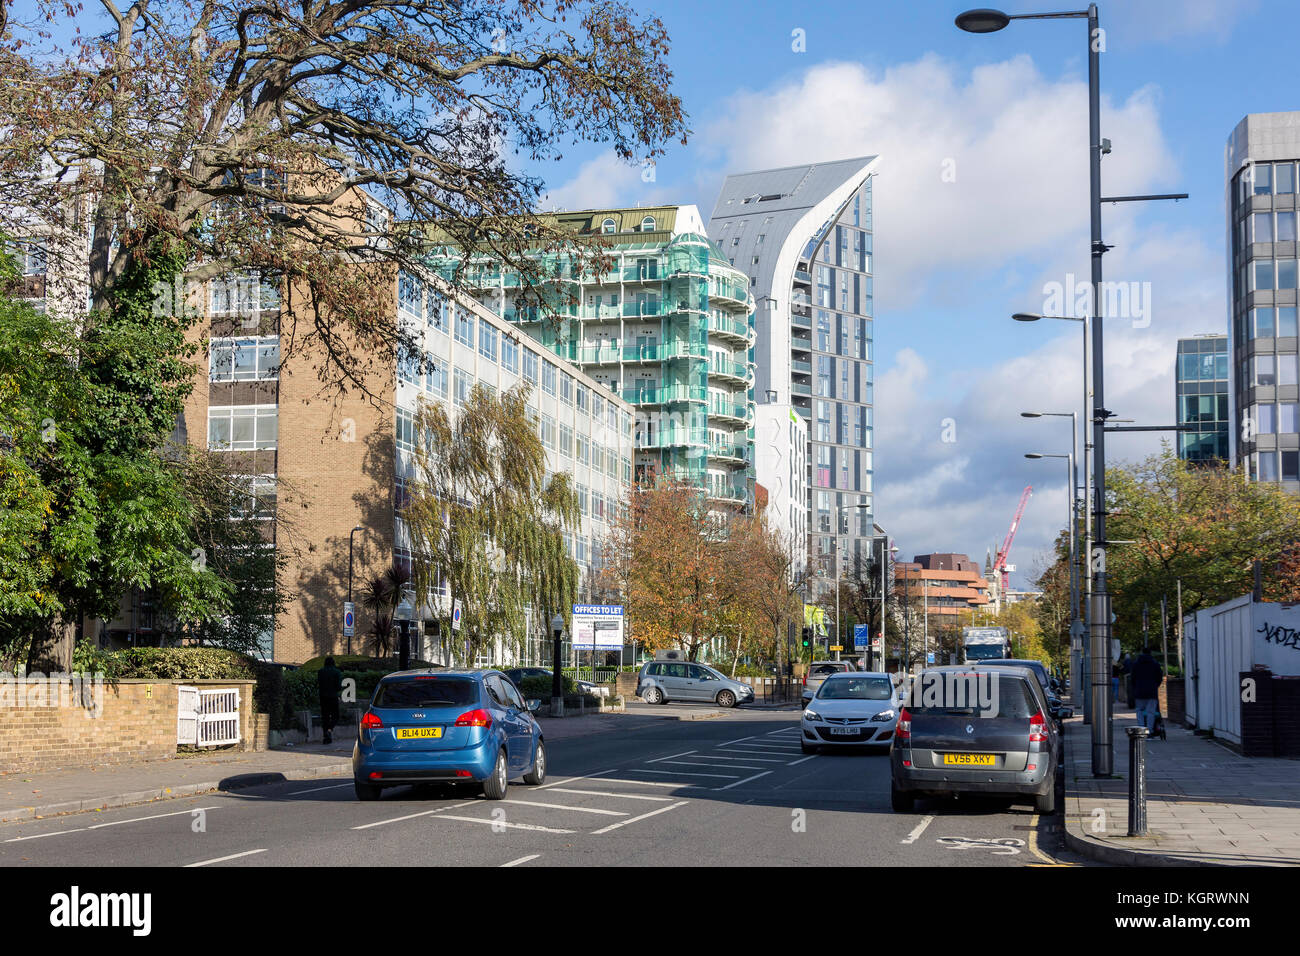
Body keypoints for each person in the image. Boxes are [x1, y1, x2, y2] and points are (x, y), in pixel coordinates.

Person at [1131, 646, 1164, 735]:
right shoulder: (1155, 663)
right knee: (1151, 712)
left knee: (1139, 711)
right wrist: (1155, 686)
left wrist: (1136, 687)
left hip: (1139, 691)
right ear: (1150, 653)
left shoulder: (1136, 664)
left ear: (1142, 652)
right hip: (1151, 691)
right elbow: (1159, 677)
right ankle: (1149, 730)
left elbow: (1133, 678)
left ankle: (1141, 729)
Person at [318, 656, 343, 745]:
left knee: (325, 717)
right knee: (335, 716)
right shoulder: (337, 672)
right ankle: (329, 730)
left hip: (323, 696)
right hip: (333, 696)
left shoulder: (321, 671)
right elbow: (338, 686)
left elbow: (319, 684)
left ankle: (326, 736)